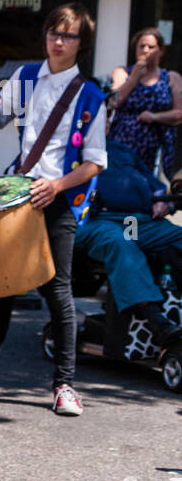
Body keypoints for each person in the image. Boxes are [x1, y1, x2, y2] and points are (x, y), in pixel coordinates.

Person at [0, 3, 106, 416]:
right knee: (1, 289)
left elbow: (94, 163)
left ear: (80, 44)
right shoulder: (26, 77)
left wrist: (57, 185)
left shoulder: (91, 95)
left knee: (58, 291)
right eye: (54, 32)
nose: (58, 41)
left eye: (68, 36)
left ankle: (65, 385)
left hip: (60, 200)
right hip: (18, 197)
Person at [73, 139, 182, 346]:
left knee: (176, 237)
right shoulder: (63, 149)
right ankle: (156, 321)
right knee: (122, 242)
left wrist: (161, 200)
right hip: (93, 220)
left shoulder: (121, 149)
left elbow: (154, 183)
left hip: (134, 220)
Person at [107, 27, 182, 174]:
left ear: (161, 51)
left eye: (151, 47)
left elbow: (179, 113)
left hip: (156, 147)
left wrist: (155, 117)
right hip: (123, 143)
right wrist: (133, 79)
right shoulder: (122, 73)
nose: (145, 50)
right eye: (141, 46)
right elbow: (113, 102)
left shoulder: (171, 77)